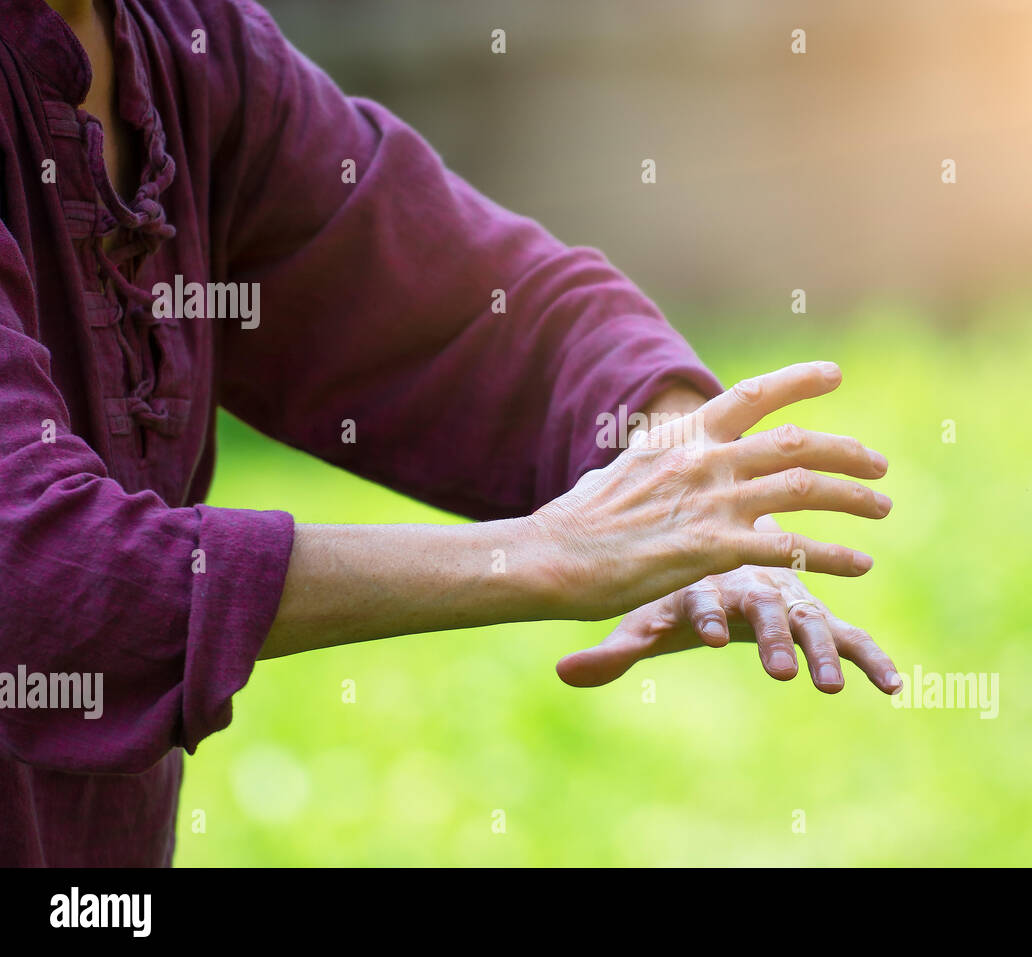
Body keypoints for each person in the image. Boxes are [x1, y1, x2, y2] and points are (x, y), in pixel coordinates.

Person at [0, 0, 899, 866]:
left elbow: (464, 306)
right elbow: (36, 566)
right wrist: (550, 552)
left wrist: (677, 466)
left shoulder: (185, 41)